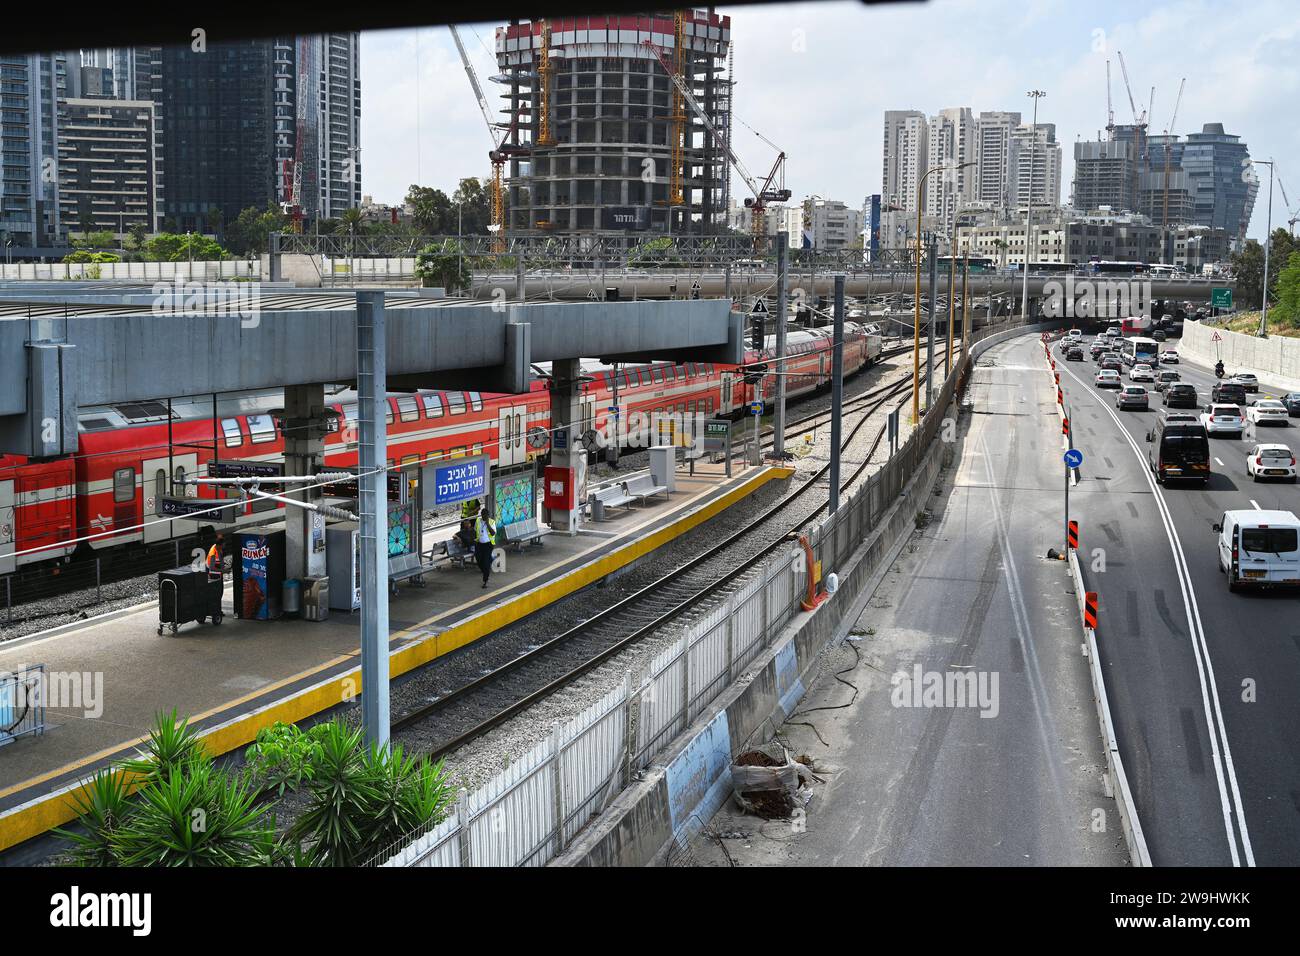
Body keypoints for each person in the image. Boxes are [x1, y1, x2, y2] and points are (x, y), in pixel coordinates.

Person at [474, 506, 496, 589]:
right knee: (479, 560)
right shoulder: (478, 521)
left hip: (488, 545)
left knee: (486, 562)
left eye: (486, 515)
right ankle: (486, 568)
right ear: (481, 515)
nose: (484, 517)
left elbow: (493, 533)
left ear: (488, 515)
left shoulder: (492, 522)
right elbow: (475, 531)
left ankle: (485, 580)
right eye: (483, 515)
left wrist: (487, 524)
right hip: (479, 544)